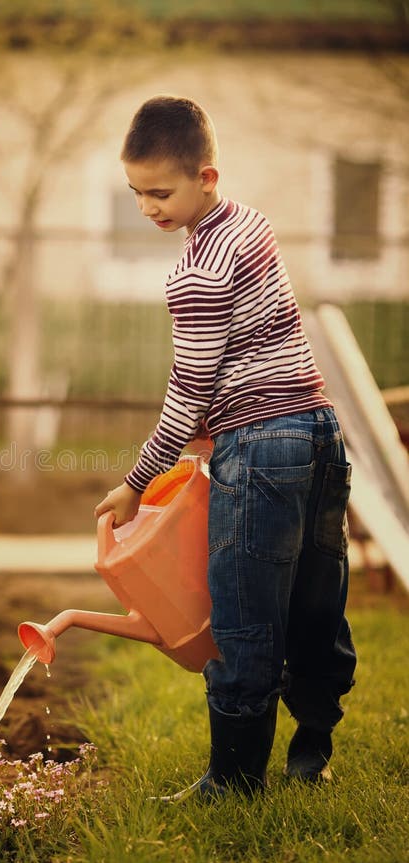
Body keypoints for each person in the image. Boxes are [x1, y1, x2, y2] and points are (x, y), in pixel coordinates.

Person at [94, 96, 356, 799]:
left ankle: (235, 783)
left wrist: (136, 481)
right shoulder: (249, 225)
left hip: (264, 450)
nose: (146, 208)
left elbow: (189, 387)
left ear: (205, 177)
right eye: (135, 194)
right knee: (313, 601)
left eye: (160, 192)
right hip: (319, 433)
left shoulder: (195, 273)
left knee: (242, 615)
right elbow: (256, 350)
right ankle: (311, 755)